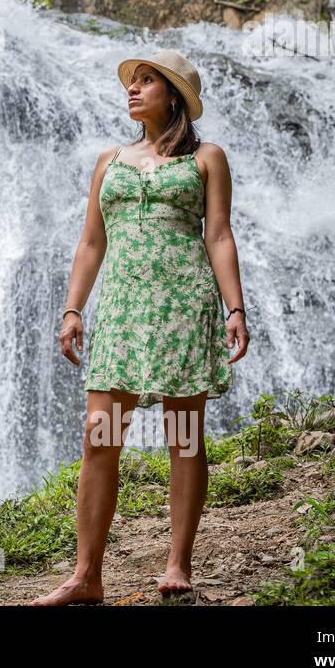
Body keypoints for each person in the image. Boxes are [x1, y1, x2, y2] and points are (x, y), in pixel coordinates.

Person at [31, 49, 250, 606]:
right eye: (132, 81)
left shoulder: (207, 158)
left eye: (147, 81)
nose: (133, 88)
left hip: (183, 303)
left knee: (183, 435)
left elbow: (218, 236)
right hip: (123, 307)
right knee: (98, 436)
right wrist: (72, 309)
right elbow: (91, 241)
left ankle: (178, 563)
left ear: (172, 95)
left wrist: (235, 309)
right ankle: (86, 576)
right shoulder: (110, 160)